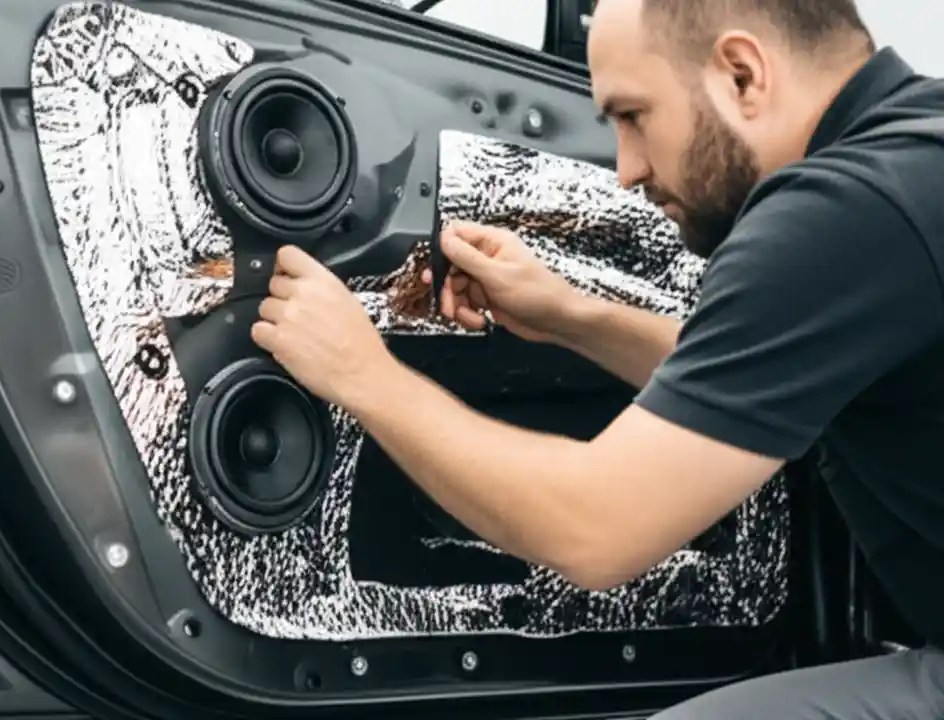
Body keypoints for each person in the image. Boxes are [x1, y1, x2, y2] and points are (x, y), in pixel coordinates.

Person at [249, 0, 944, 717]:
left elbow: (595, 530)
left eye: (634, 116)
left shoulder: (843, 212)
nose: (624, 171)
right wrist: (571, 317)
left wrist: (364, 376)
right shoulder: (910, 152)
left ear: (743, 74)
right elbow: (757, 379)